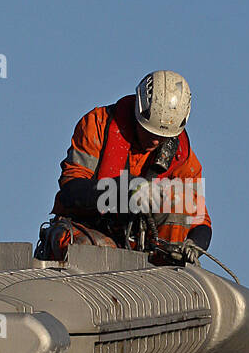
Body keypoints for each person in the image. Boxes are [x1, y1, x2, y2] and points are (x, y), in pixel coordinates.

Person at [37, 71, 211, 263]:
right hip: (89, 228)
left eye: (162, 137)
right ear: (138, 111)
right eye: (148, 131)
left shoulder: (182, 157)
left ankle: (167, 270)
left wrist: (195, 243)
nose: (154, 140)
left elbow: (199, 218)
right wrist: (120, 191)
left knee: (177, 200)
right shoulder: (98, 125)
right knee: (86, 247)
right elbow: (71, 190)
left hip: (145, 250)